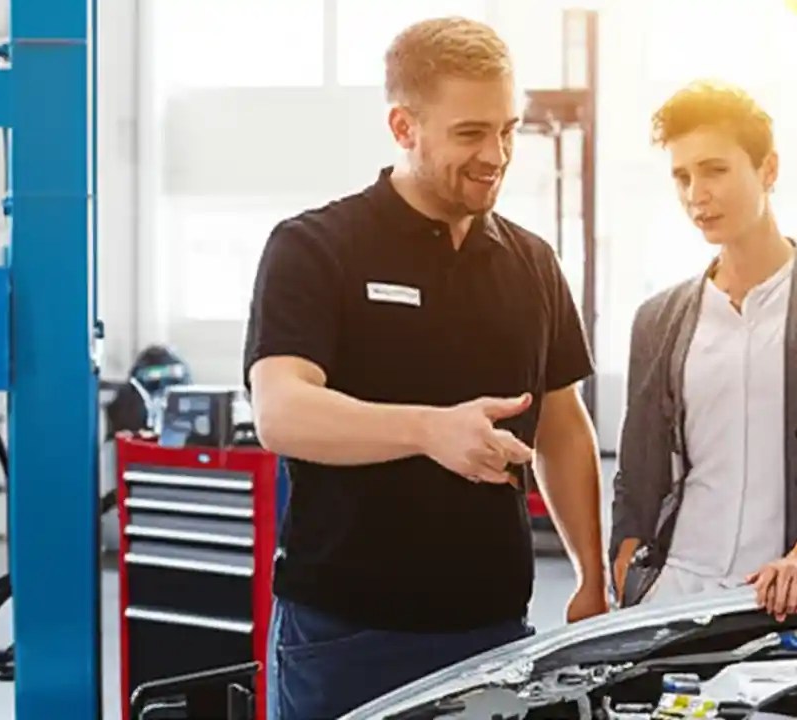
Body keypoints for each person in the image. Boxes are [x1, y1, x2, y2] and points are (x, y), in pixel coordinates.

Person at [242, 16, 608, 719]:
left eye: (508, 128)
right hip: (347, 636)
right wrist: (429, 431)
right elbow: (281, 411)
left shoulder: (531, 263)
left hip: (493, 631)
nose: (496, 154)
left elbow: (562, 423)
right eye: (470, 133)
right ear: (403, 127)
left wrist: (592, 575)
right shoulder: (317, 247)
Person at [609, 80, 797, 621]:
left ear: (768, 169)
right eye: (681, 177)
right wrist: (627, 571)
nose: (695, 194)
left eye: (714, 170)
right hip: (671, 596)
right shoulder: (658, 319)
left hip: (792, 594)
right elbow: (636, 471)